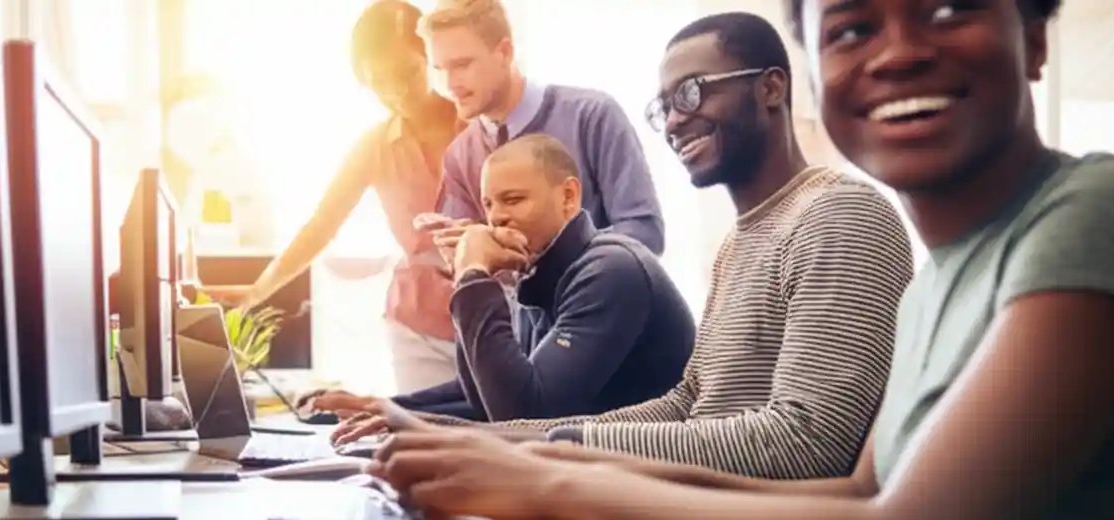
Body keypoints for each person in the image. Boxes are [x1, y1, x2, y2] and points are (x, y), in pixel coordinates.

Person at [371, 1, 1114, 520]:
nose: (900, 52)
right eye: (852, 30)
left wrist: (557, 473)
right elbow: (836, 485)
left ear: (1036, 36)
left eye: (948, 9)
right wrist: (500, 449)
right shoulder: (931, 275)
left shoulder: (1088, 213)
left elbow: (844, 498)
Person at [343, 12, 914, 478]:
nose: (673, 123)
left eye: (691, 93)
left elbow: (806, 443)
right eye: (664, 106)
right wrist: (455, 435)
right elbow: (686, 406)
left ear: (771, 87)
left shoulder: (839, 214)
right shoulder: (742, 240)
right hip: (700, 512)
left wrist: (550, 453)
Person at [308, 134, 695, 425]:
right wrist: (387, 408)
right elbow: (486, 395)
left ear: (569, 197)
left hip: (641, 489)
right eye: (489, 204)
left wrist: (473, 277)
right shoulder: (538, 271)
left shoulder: (611, 270)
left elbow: (522, 415)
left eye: (513, 200)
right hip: (588, 472)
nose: (495, 219)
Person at [219, 1, 463, 393]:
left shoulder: (482, 126)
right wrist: (256, 292)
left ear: (430, 59)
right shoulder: (372, 146)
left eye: (408, 72)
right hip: (419, 326)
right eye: (379, 81)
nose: (397, 91)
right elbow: (321, 225)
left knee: (496, 438)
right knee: (428, 439)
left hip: (495, 315)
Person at [416, 0, 666, 256]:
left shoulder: (592, 116)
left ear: (505, 52)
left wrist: (535, 258)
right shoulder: (459, 156)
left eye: (461, 65)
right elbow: (466, 269)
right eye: (439, 69)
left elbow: (645, 234)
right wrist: (459, 252)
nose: (449, 84)